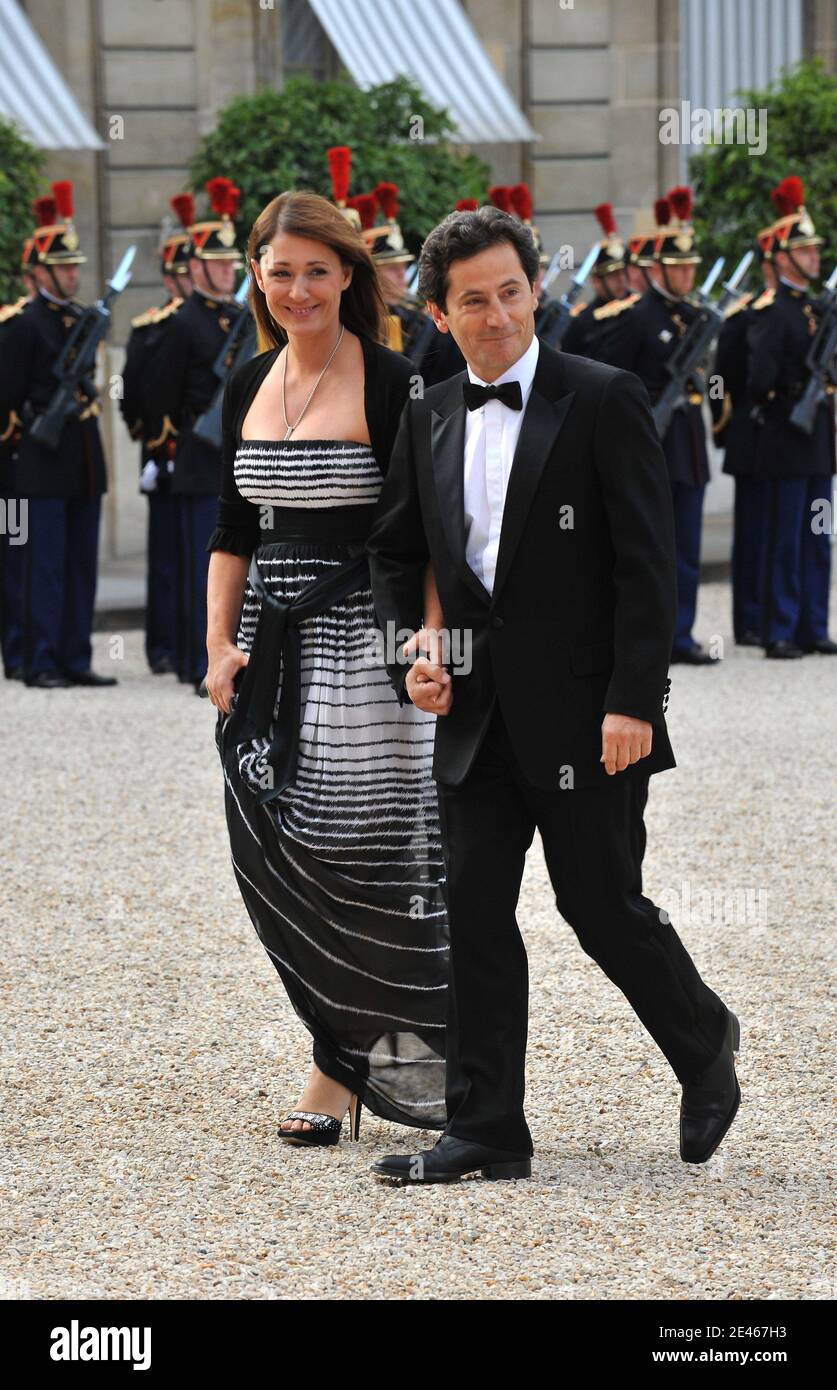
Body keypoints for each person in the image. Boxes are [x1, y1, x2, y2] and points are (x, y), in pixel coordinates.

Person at [366, 202, 740, 1184]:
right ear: (440, 317)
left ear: (538, 291)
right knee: (475, 912)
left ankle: (705, 1047)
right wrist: (415, 647)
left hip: (588, 714)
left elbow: (648, 570)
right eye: (472, 302)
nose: (496, 317)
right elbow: (397, 553)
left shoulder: (605, 397)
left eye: (511, 294)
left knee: (600, 904)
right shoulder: (429, 410)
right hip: (474, 720)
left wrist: (635, 701)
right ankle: (487, 1127)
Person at [203, 190, 450, 1146]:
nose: (297, 287)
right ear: (255, 276)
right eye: (280, 269)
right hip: (269, 648)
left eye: (317, 269)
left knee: (373, 855)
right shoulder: (245, 380)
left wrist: (428, 641)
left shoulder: (397, 380)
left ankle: (386, 1068)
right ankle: (339, 1051)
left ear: (349, 274)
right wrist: (219, 643)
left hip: (364, 646)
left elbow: (430, 530)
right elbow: (232, 527)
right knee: (281, 851)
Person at [0, 180, 115, 689]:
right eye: (64, 267)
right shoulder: (23, 325)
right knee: (38, 566)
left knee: (78, 565)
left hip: (80, 460)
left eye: (75, 267)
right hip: (36, 466)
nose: (73, 274)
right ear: (39, 272)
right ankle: (37, 658)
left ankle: (73, 655)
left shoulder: (79, 318)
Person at [596, 188, 715, 665]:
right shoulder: (634, 318)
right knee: (647, 548)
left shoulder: (693, 318)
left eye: (691, 267)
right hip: (650, 445)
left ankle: (681, 635)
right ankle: (648, 639)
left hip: (687, 442)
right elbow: (613, 386)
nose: (687, 274)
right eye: (678, 267)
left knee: (686, 545)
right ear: (658, 269)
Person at [144, 176, 244, 691]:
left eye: (231, 262)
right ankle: (193, 659)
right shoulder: (183, 322)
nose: (227, 270)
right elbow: (160, 391)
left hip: (238, 461)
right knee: (200, 568)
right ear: (198, 265)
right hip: (200, 459)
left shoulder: (240, 316)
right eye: (218, 262)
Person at [746, 176, 836, 658]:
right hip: (786, 437)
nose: (814, 256)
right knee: (785, 539)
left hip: (819, 437)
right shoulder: (773, 311)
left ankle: (813, 625)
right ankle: (780, 627)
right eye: (804, 250)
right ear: (782, 257)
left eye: (816, 249)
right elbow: (760, 381)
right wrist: (797, 393)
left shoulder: (819, 309)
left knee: (818, 537)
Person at [120, 194, 193, 674]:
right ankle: (162, 644)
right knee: (165, 558)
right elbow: (135, 392)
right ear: (170, 277)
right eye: (183, 274)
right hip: (164, 453)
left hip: (196, 456)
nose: (190, 280)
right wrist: (152, 440)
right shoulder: (151, 328)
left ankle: (184, 641)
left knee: (190, 558)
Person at [712, 225, 776, 648]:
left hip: (791, 440)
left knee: (788, 533)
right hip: (751, 439)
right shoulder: (744, 317)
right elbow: (720, 378)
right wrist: (723, 423)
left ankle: (781, 616)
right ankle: (750, 618)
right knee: (754, 532)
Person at [0, 215, 40, 681]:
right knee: (16, 559)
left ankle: (30, 651)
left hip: (29, 470)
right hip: (12, 468)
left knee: (28, 558)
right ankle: (16, 652)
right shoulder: (15, 325)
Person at [560, 203, 630, 359]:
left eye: (623, 273)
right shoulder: (582, 321)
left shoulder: (638, 309)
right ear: (596, 281)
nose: (621, 280)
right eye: (613, 276)